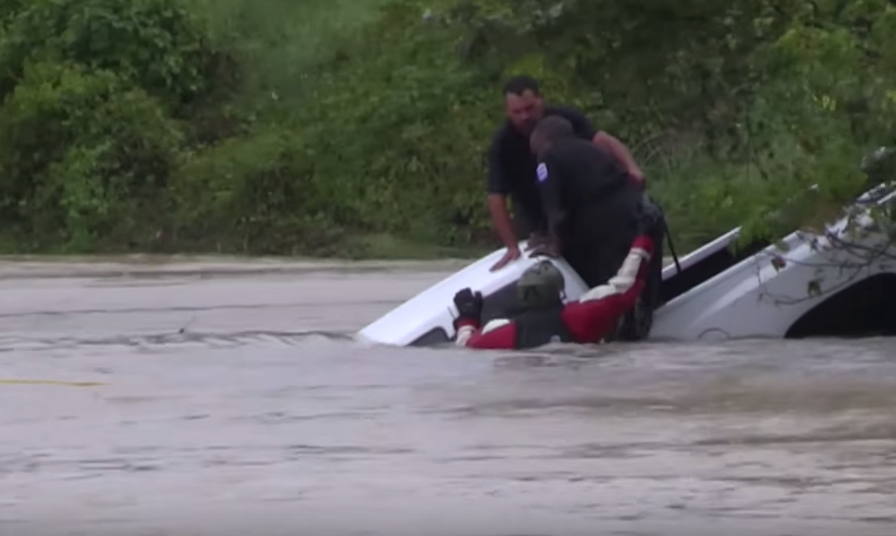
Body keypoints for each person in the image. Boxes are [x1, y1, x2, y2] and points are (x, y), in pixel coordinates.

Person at [528, 115, 668, 339]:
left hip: (614, 232)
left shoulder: (548, 160)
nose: (535, 155)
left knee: (616, 301)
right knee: (644, 295)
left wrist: (555, 243)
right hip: (645, 217)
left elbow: (555, 211)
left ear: (546, 139)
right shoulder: (592, 149)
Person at [486, 75, 645, 271]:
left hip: (581, 204)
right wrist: (511, 246)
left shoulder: (563, 119)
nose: (524, 117)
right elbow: (495, 195)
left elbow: (602, 139)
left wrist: (632, 168)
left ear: (541, 100)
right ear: (507, 112)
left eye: (529, 108)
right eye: (517, 112)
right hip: (537, 212)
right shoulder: (503, 143)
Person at [451, 234, 654, 350]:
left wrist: (467, 318)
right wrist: (642, 242)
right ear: (559, 291)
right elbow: (627, 285)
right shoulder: (585, 314)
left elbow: (467, 346)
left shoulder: (503, 332)